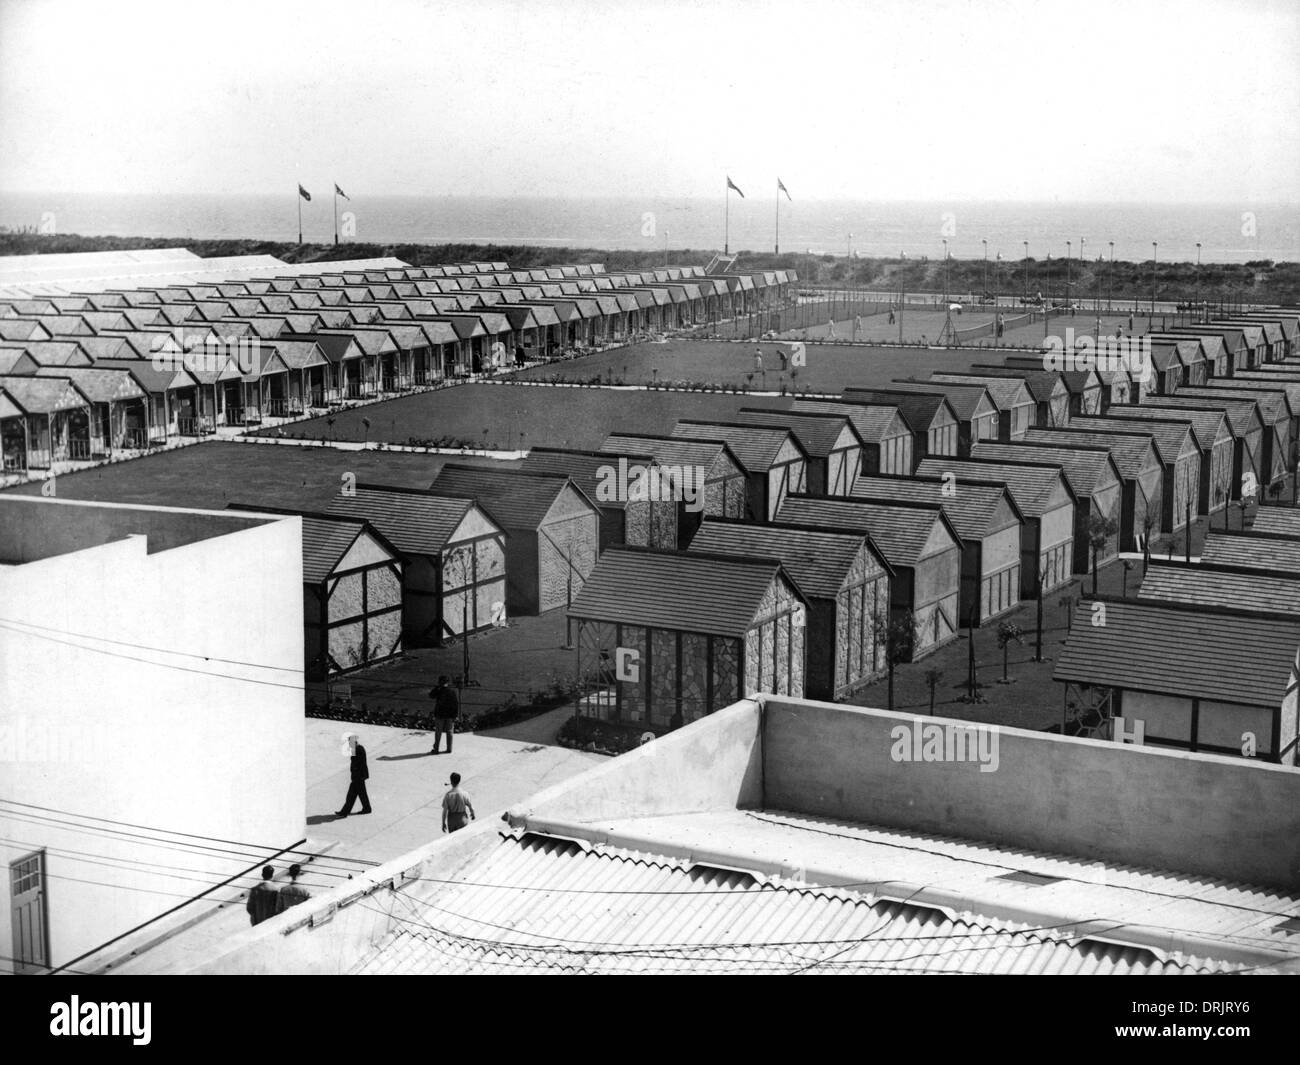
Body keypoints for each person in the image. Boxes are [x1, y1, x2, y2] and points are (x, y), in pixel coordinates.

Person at [335, 733, 371, 817]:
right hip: (359, 776)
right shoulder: (358, 748)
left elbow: (357, 764)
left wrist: (355, 776)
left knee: (351, 795)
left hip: (358, 776)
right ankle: (367, 808)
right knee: (361, 794)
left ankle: (344, 812)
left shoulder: (357, 749)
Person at [430, 675, 460, 754]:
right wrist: (455, 715)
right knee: (449, 732)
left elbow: (431, 695)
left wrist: (436, 688)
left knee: (438, 732)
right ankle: (449, 748)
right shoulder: (452, 691)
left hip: (440, 714)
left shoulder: (439, 690)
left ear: (439, 682)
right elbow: (455, 704)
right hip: (450, 714)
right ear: (447, 682)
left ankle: (436, 749)